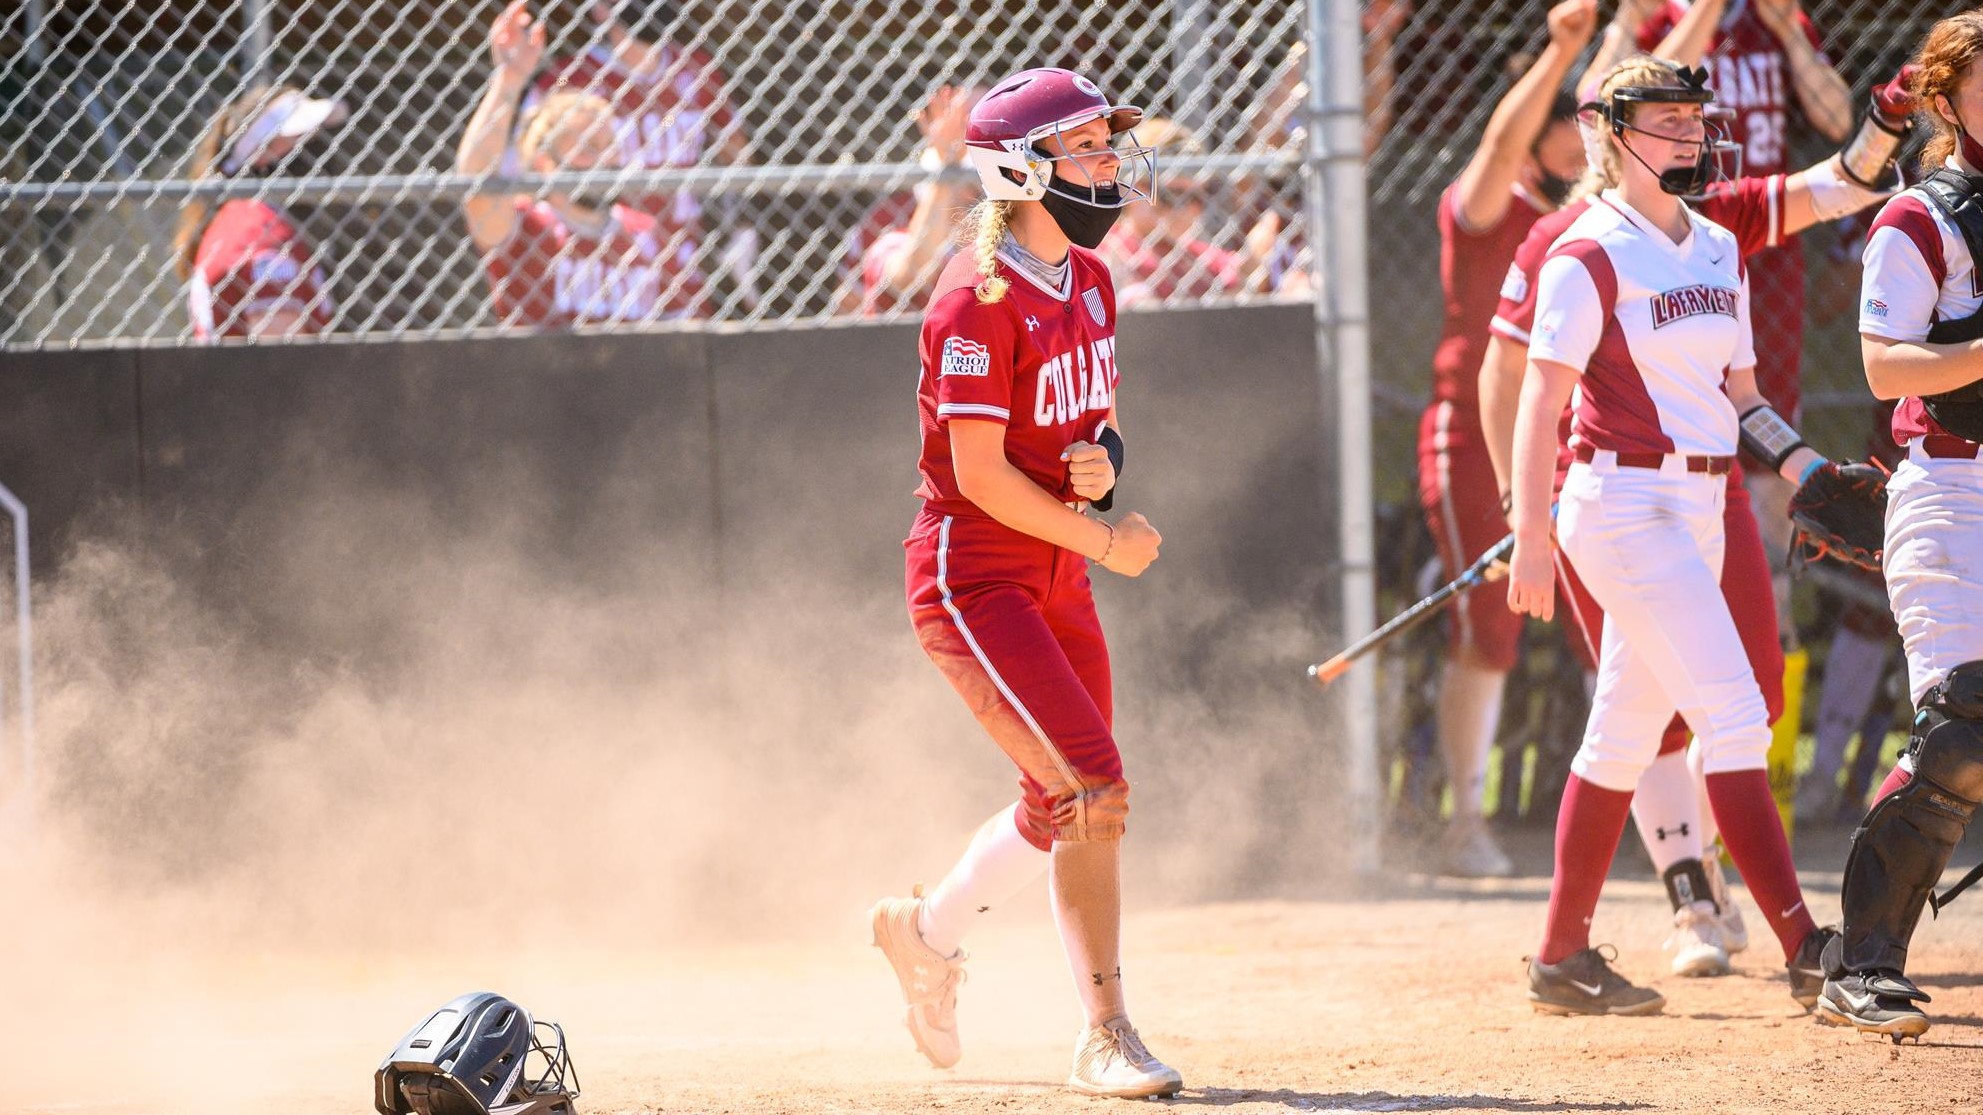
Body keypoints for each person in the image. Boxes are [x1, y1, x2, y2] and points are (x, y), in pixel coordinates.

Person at [1483, 63, 1915, 977]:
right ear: (1610, 132)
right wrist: (1528, 533)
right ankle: (1807, 948)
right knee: (1733, 714)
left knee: (1624, 733)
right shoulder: (1585, 251)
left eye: (1692, 118)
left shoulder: (1717, 246)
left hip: (1700, 500)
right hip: (1620, 503)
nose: (1687, 134)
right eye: (1665, 120)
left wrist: (1805, 469)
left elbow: (1742, 397)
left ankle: (1560, 955)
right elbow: (1536, 401)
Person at [865, 67, 1178, 1099]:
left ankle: (926, 934)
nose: (1104, 163)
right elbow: (980, 476)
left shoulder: (1091, 282)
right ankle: (1106, 1030)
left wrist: (1104, 464)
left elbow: (1092, 432)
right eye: (1082, 147)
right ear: (1019, 169)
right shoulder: (974, 294)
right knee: (1094, 785)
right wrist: (1102, 539)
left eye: (1102, 143)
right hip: (976, 575)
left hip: (1055, 567)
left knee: (1064, 802)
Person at [1822, 13, 1983, 1041]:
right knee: (1965, 725)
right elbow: (1886, 367)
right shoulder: (1920, 220)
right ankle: (1863, 958)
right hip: (1955, 490)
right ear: (1945, 99)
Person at [1414, 0, 1599, 878]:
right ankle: (1461, 825)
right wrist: (1560, 52)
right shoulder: (1491, 204)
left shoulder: (1600, 218)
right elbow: (1495, 150)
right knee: (1488, 623)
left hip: (1576, 435)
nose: (1579, 161)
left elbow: (1641, 91)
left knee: (1610, 615)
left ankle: (1650, 830)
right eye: (1563, 148)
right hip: (1474, 432)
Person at [1639, 0, 1854, 636]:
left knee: (1767, 437)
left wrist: (1787, 26)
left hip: (1768, 240)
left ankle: (1774, 629)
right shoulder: (1662, 20)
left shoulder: (1776, 16)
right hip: (1685, 237)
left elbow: (1838, 116)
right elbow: (1653, 81)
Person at [520, 0, 752, 316]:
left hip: (682, 261)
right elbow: (524, 164)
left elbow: (738, 154)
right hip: (601, 264)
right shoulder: (569, 78)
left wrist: (738, 224)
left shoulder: (696, 70)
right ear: (600, 9)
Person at [457, 2, 680, 328]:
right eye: (587, 147)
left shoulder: (644, 232)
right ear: (545, 161)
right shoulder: (525, 225)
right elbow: (476, 181)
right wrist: (509, 80)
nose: (603, 160)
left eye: (609, 147)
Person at [172, 84, 347, 340]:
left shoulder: (242, 219)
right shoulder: (263, 236)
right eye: (299, 137)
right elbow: (277, 366)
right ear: (260, 155)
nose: (317, 147)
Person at [1100, 118, 1276, 307]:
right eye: (1175, 196)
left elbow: (1243, 280)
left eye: (1198, 196)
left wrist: (1256, 258)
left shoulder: (1195, 254)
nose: (1191, 209)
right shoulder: (1109, 249)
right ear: (1134, 189)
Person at [843, 84, 983, 317]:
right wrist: (947, 169)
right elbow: (910, 276)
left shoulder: (1010, 236)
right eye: (970, 186)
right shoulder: (892, 233)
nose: (974, 198)